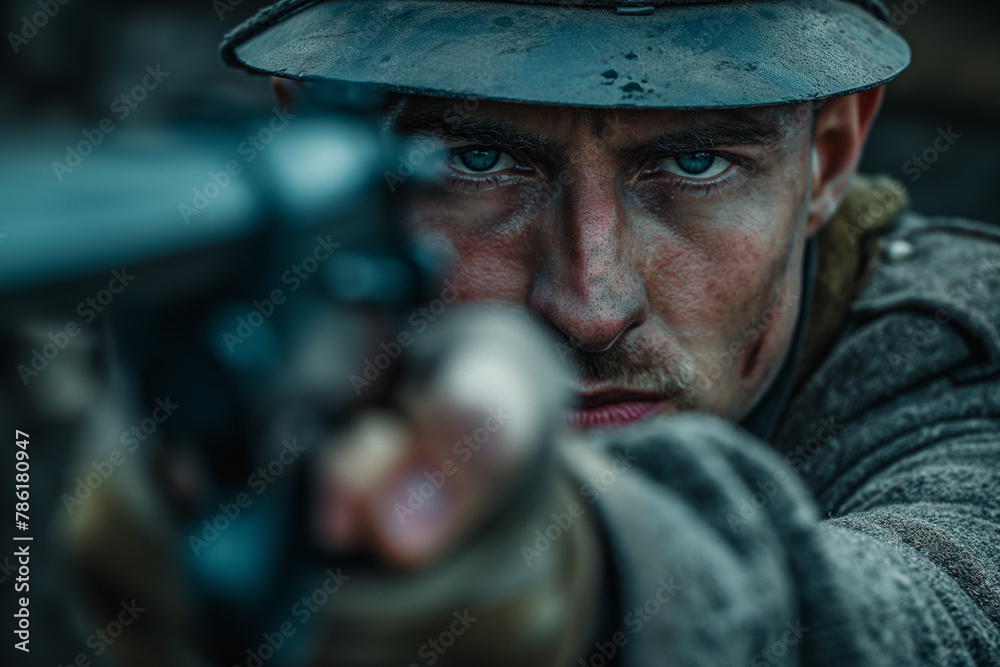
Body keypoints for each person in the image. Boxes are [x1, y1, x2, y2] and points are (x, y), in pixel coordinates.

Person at [95, 0, 999, 664]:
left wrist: (586, 574)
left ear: (830, 154)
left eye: (694, 162)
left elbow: (943, 608)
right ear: (319, 148)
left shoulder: (958, 358)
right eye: (478, 160)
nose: (589, 304)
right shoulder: (197, 373)